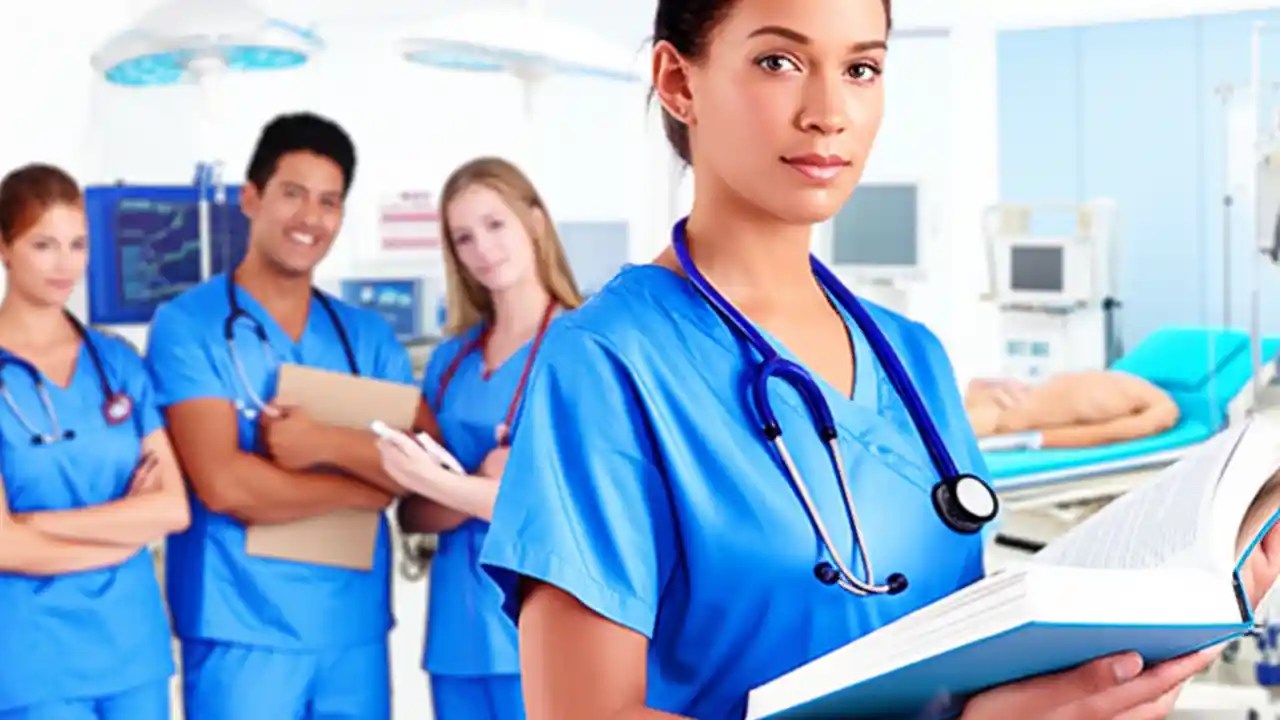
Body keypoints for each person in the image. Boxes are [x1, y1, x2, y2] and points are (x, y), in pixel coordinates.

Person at [472, 1, 1280, 719]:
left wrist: (1124, 666)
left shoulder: (912, 359)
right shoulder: (611, 360)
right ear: (677, 82)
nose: (829, 112)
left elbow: (958, 662)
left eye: (861, 68)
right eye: (779, 61)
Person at [144, 113, 416, 720]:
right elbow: (225, 484)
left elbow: (421, 464)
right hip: (241, 626)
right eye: (292, 193)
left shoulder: (365, 337)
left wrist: (322, 443)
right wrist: (362, 486)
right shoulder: (189, 326)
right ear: (251, 198)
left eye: (328, 201)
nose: (309, 218)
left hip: (351, 630)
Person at [376, 157, 583, 720]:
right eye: (463, 237)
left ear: (535, 222)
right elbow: (414, 515)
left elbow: (563, 509)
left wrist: (441, 485)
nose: (482, 249)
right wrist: (468, 487)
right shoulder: (450, 360)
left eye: (495, 225)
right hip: (458, 636)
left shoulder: (584, 347)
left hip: (543, 629)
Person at [0, 164, 189, 719]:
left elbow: (173, 509)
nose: (66, 264)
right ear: (5, 248)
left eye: (77, 244)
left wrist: (38, 523)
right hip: (35, 659)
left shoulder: (117, 363)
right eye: (44, 244)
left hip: (133, 649)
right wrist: (128, 536)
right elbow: (4, 548)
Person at [963, 370, 1180, 448]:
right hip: (1001, 405)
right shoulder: (1126, 388)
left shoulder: (1155, 404)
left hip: (1005, 414)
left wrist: (1042, 439)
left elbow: (1102, 435)